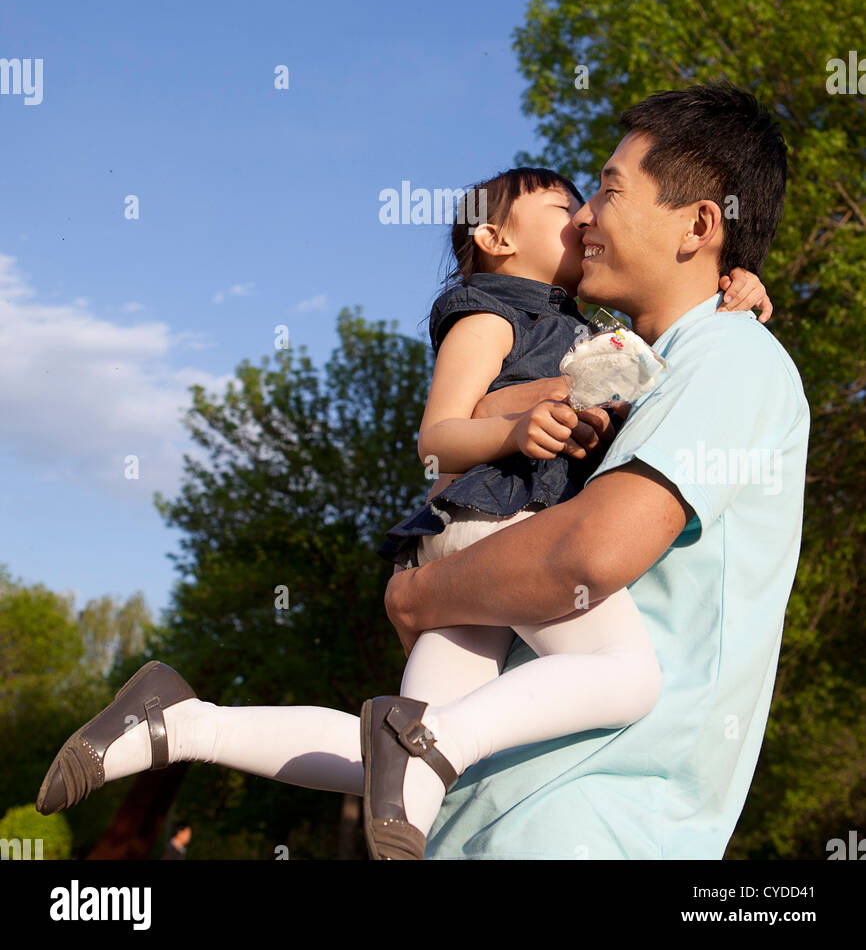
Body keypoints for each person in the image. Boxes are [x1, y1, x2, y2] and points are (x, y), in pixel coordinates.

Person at [34, 149, 770, 862]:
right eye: (566, 206)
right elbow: (436, 438)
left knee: (402, 754)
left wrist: (734, 289)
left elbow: (659, 345)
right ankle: (429, 748)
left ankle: (182, 725)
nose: (584, 220)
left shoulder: (575, 322)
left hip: (479, 545)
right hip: (495, 529)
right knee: (626, 676)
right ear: (495, 237)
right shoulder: (488, 313)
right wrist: (514, 428)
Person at [385, 79, 810, 860]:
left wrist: (419, 591)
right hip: (495, 819)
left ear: (699, 226)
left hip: (580, 824)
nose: (583, 217)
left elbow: (587, 552)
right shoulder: (627, 366)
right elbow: (466, 433)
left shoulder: (729, 354)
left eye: (608, 191)